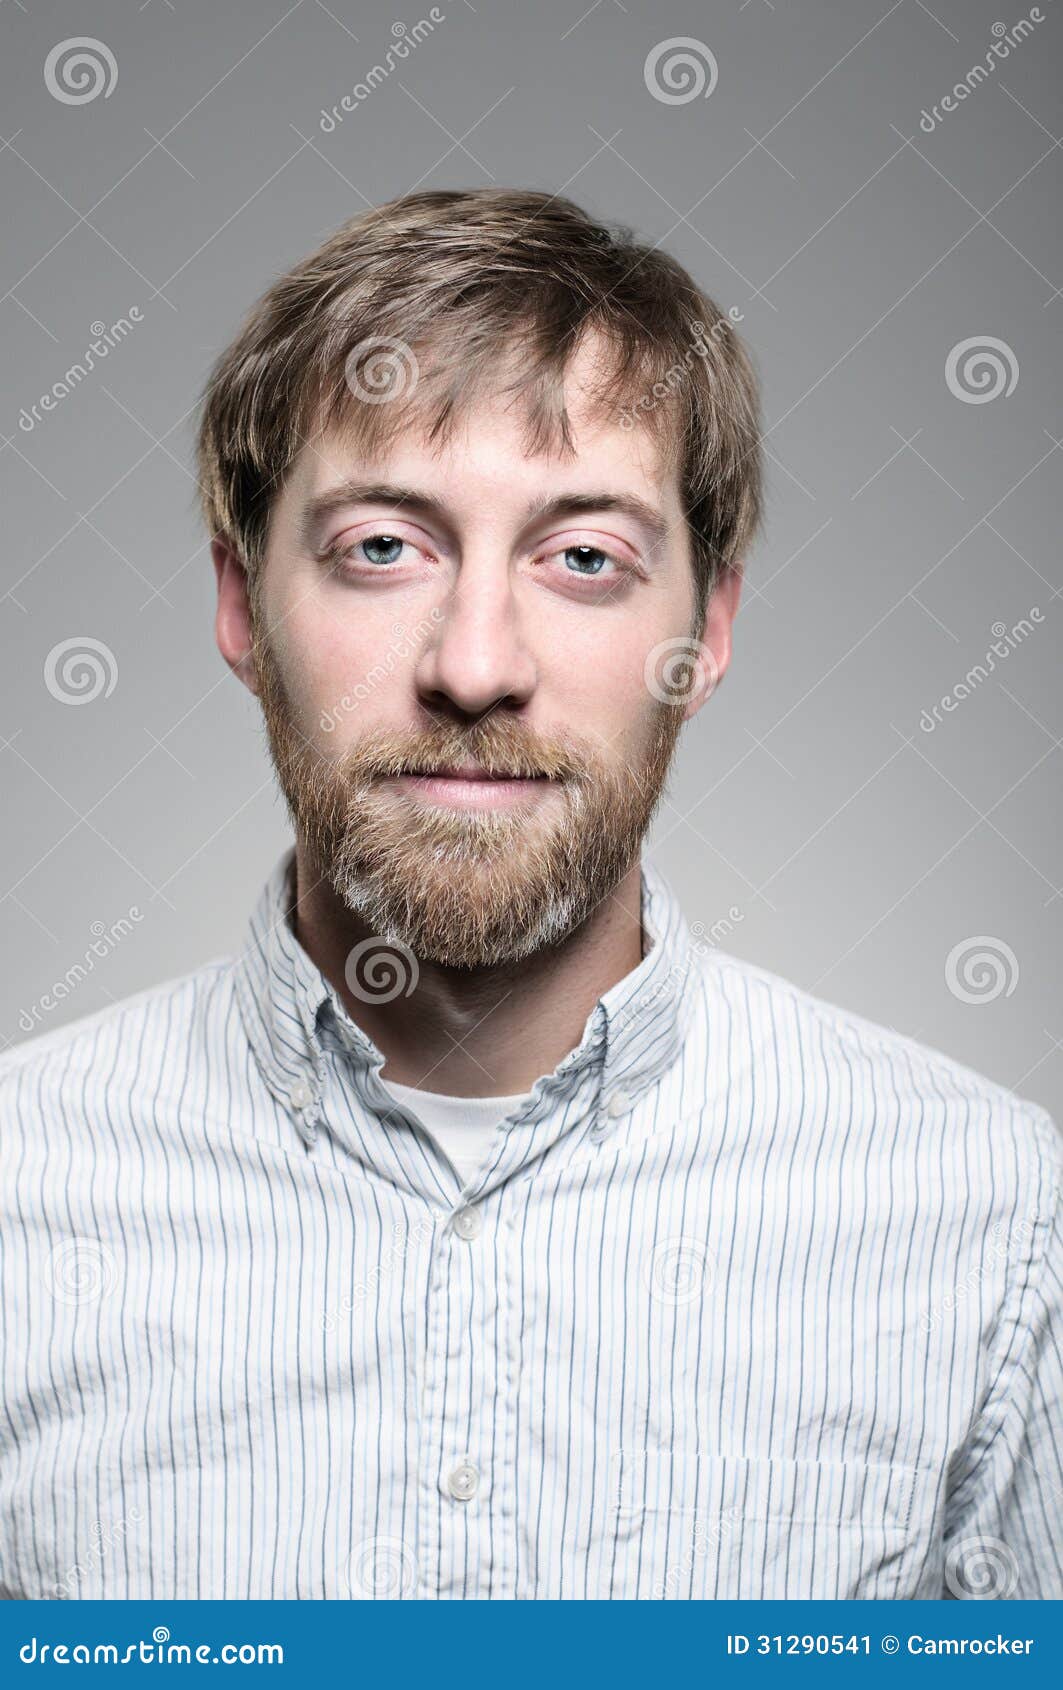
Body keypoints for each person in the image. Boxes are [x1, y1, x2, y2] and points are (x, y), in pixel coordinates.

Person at [1, 189, 1059, 1601]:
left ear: (710, 626)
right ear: (244, 606)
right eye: (383, 544)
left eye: (584, 557)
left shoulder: (992, 1215)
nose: (477, 663)